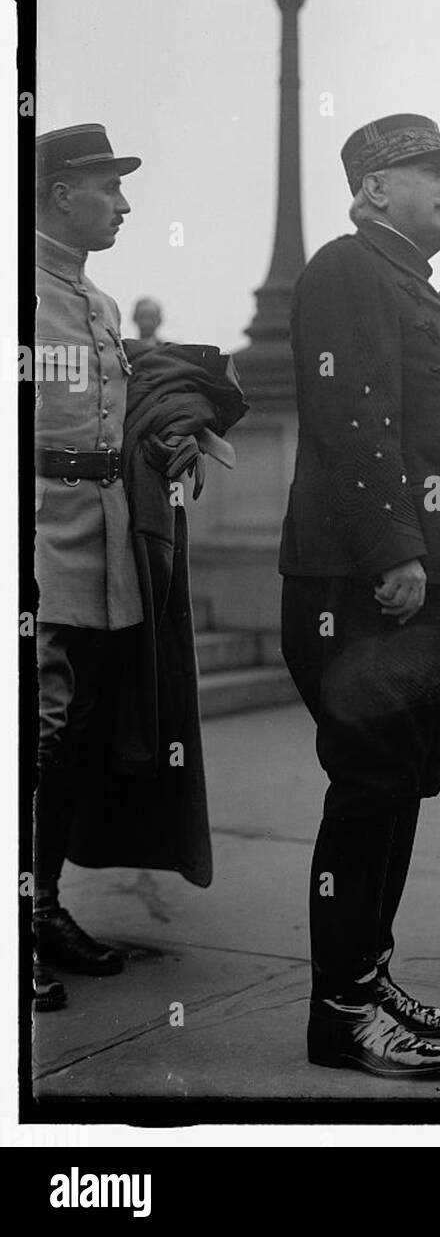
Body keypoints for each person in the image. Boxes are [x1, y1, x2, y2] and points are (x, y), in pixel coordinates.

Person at [279, 114, 440, 1077]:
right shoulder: (349, 269)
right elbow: (353, 418)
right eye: (430, 171)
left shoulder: (414, 285)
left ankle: (364, 974)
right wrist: (395, 549)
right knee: (367, 792)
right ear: (370, 188)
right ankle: (338, 1013)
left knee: (394, 791)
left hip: (433, 583)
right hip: (372, 584)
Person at [33, 124, 244, 1013]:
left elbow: (115, 405)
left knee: (75, 732)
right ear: (56, 193)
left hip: (105, 540)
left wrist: (174, 428)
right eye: (107, 186)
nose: (123, 203)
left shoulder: (101, 305)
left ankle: (40, 906)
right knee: (32, 734)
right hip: (35, 535)